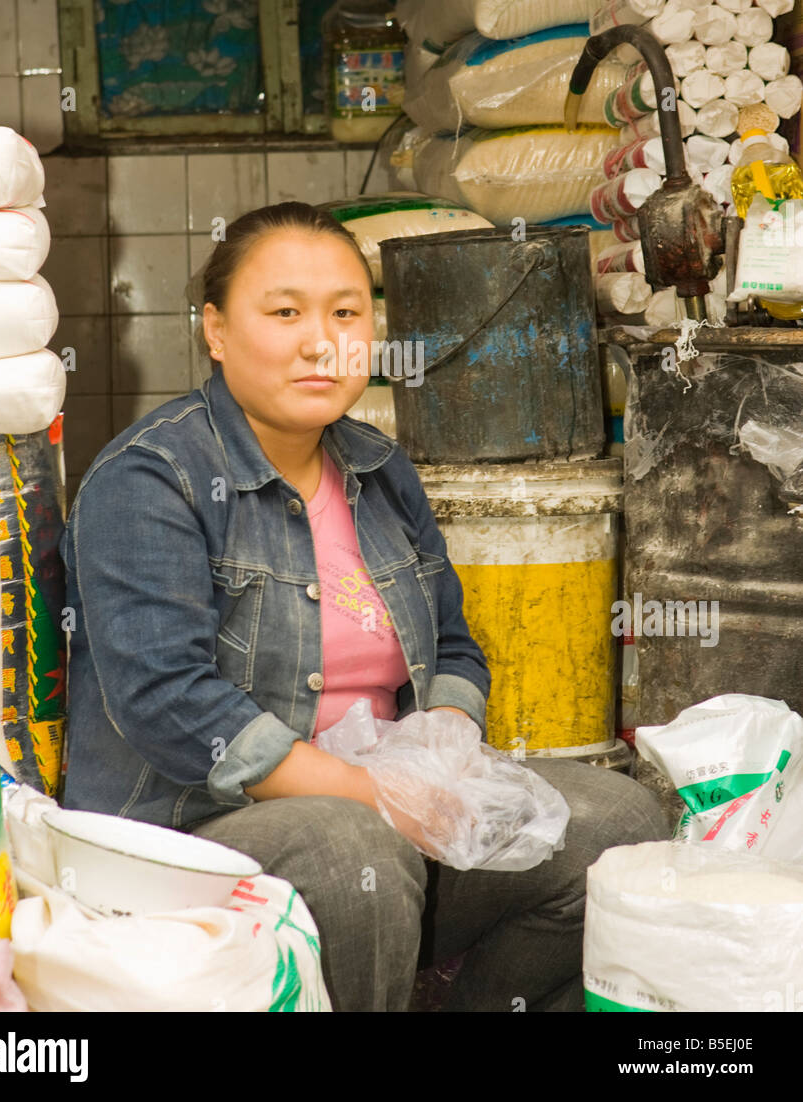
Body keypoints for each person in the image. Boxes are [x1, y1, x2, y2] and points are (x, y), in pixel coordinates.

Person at [60, 199, 669, 1012]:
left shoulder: (380, 470)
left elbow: (453, 647)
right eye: (284, 313)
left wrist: (443, 751)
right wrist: (380, 797)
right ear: (215, 331)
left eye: (346, 312)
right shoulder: (151, 479)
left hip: (381, 815)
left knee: (612, 820)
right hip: (197, 835)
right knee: (346, 845)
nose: (322, 341)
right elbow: (168, 699)